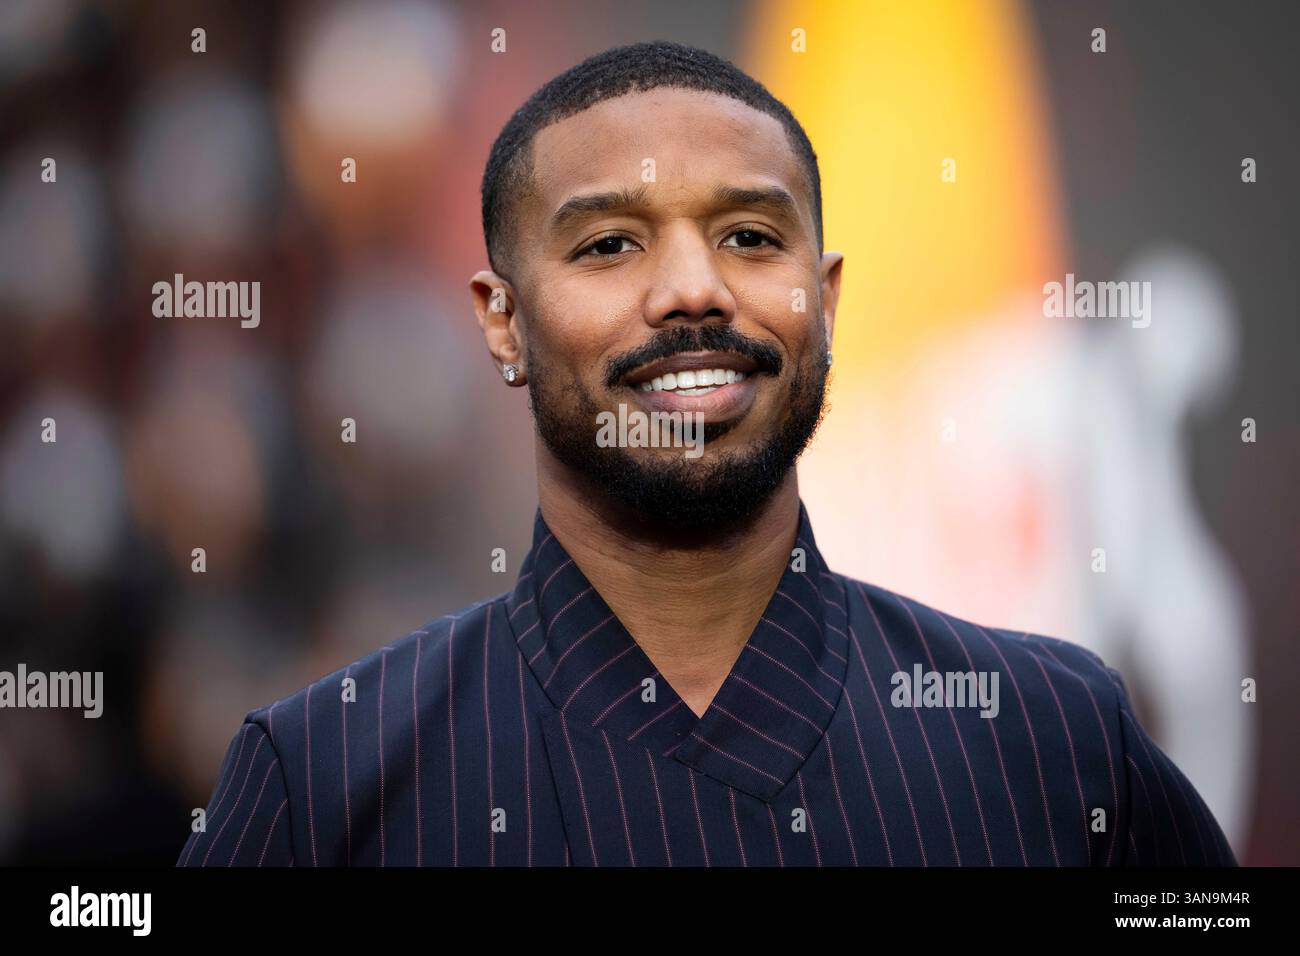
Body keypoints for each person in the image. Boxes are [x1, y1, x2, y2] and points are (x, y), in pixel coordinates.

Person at [178, 40, 1234, 867]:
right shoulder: (324, 780)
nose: (693, 289)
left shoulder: (1056, 741)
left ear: (823, 304)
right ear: (501, 321)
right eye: (607, 245)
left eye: (750, 237)